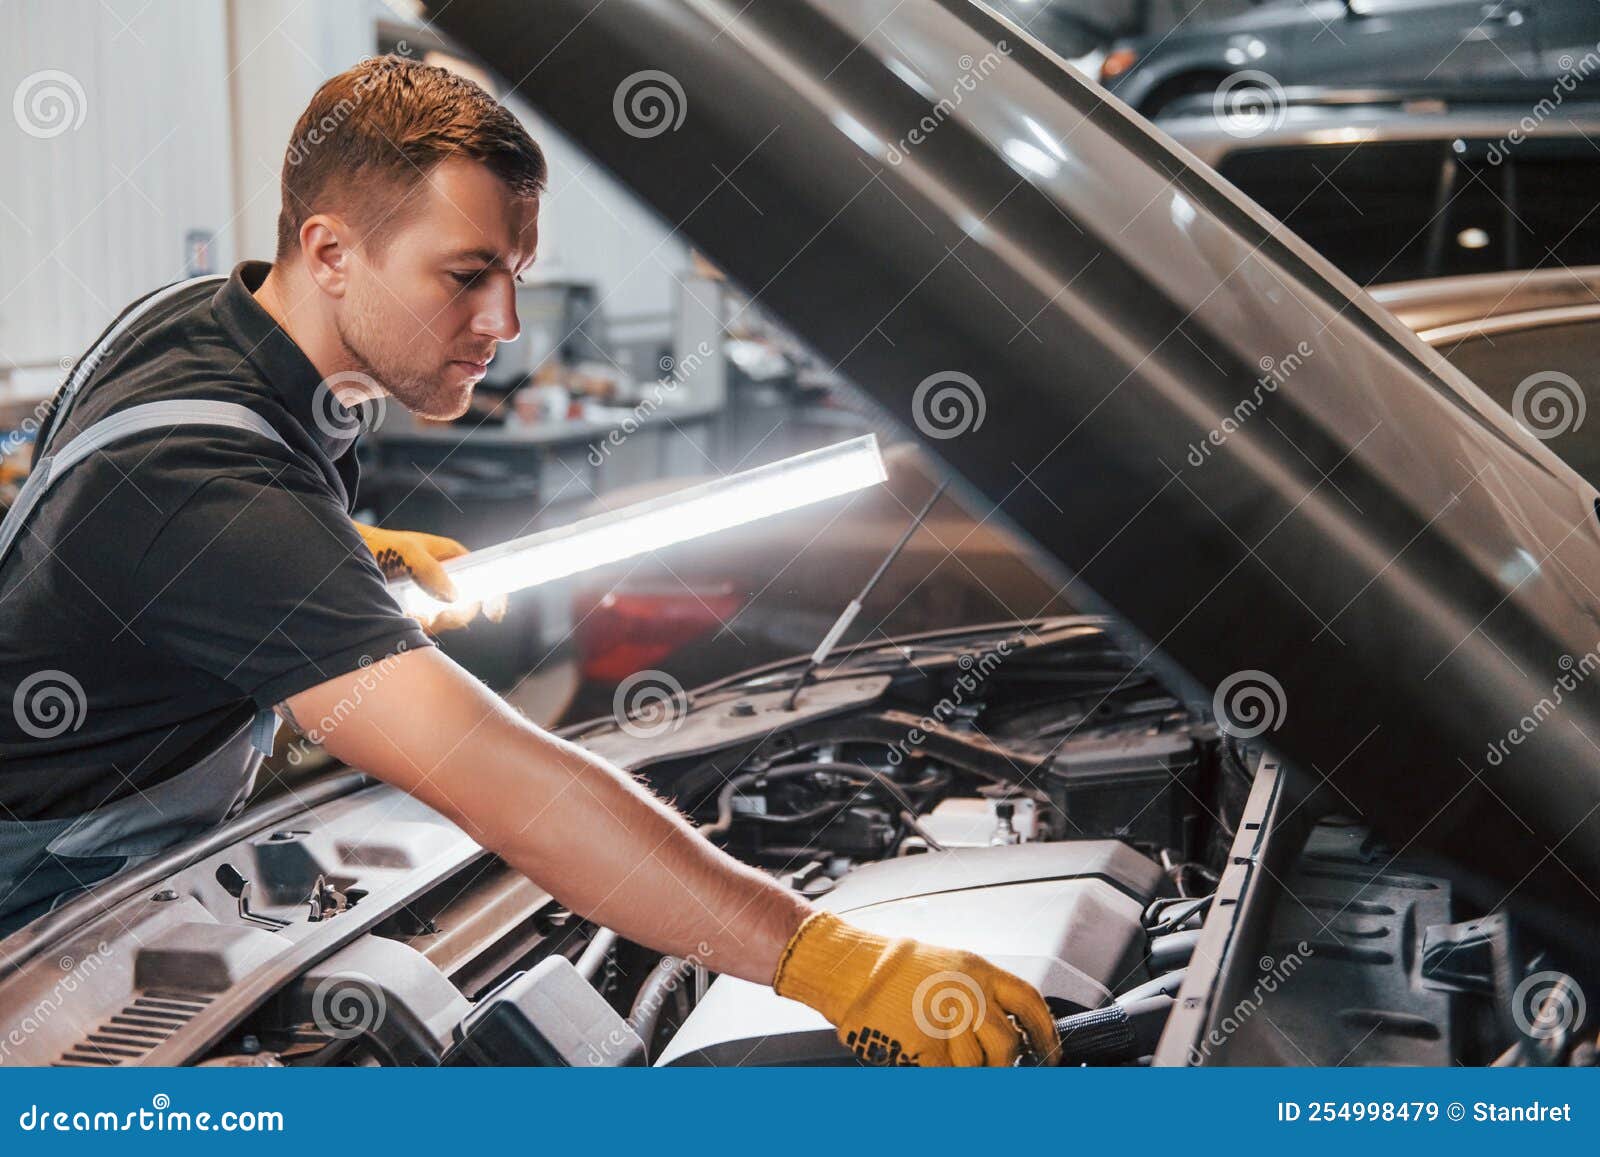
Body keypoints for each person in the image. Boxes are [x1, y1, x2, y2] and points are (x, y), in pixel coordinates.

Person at [0, 56, 1056, 1066]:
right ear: (328, 254)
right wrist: (828, 958)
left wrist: (331, 546)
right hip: (37, 904)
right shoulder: (210, 488)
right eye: (465, 276)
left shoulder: (199, 324)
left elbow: (105, 525)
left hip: (124, 856)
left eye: (512, 275)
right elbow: (505, 781)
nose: (503, 323)